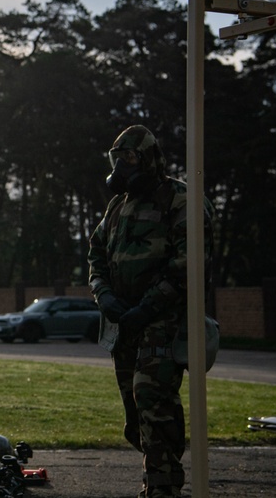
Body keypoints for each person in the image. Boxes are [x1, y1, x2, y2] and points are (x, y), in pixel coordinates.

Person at [88, 125, 214, 498]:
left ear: (148, 158)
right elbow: (96, 255)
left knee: (152, 402)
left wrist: (147, 307)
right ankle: (155, 476)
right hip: (123, 325)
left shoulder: (181, 200)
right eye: (116, 160)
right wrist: (104, 296)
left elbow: (190, 264)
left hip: (162, 323)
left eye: (127, 159)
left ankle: (163, 488)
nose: (121, 168)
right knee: (134, 414)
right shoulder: (117, 206)